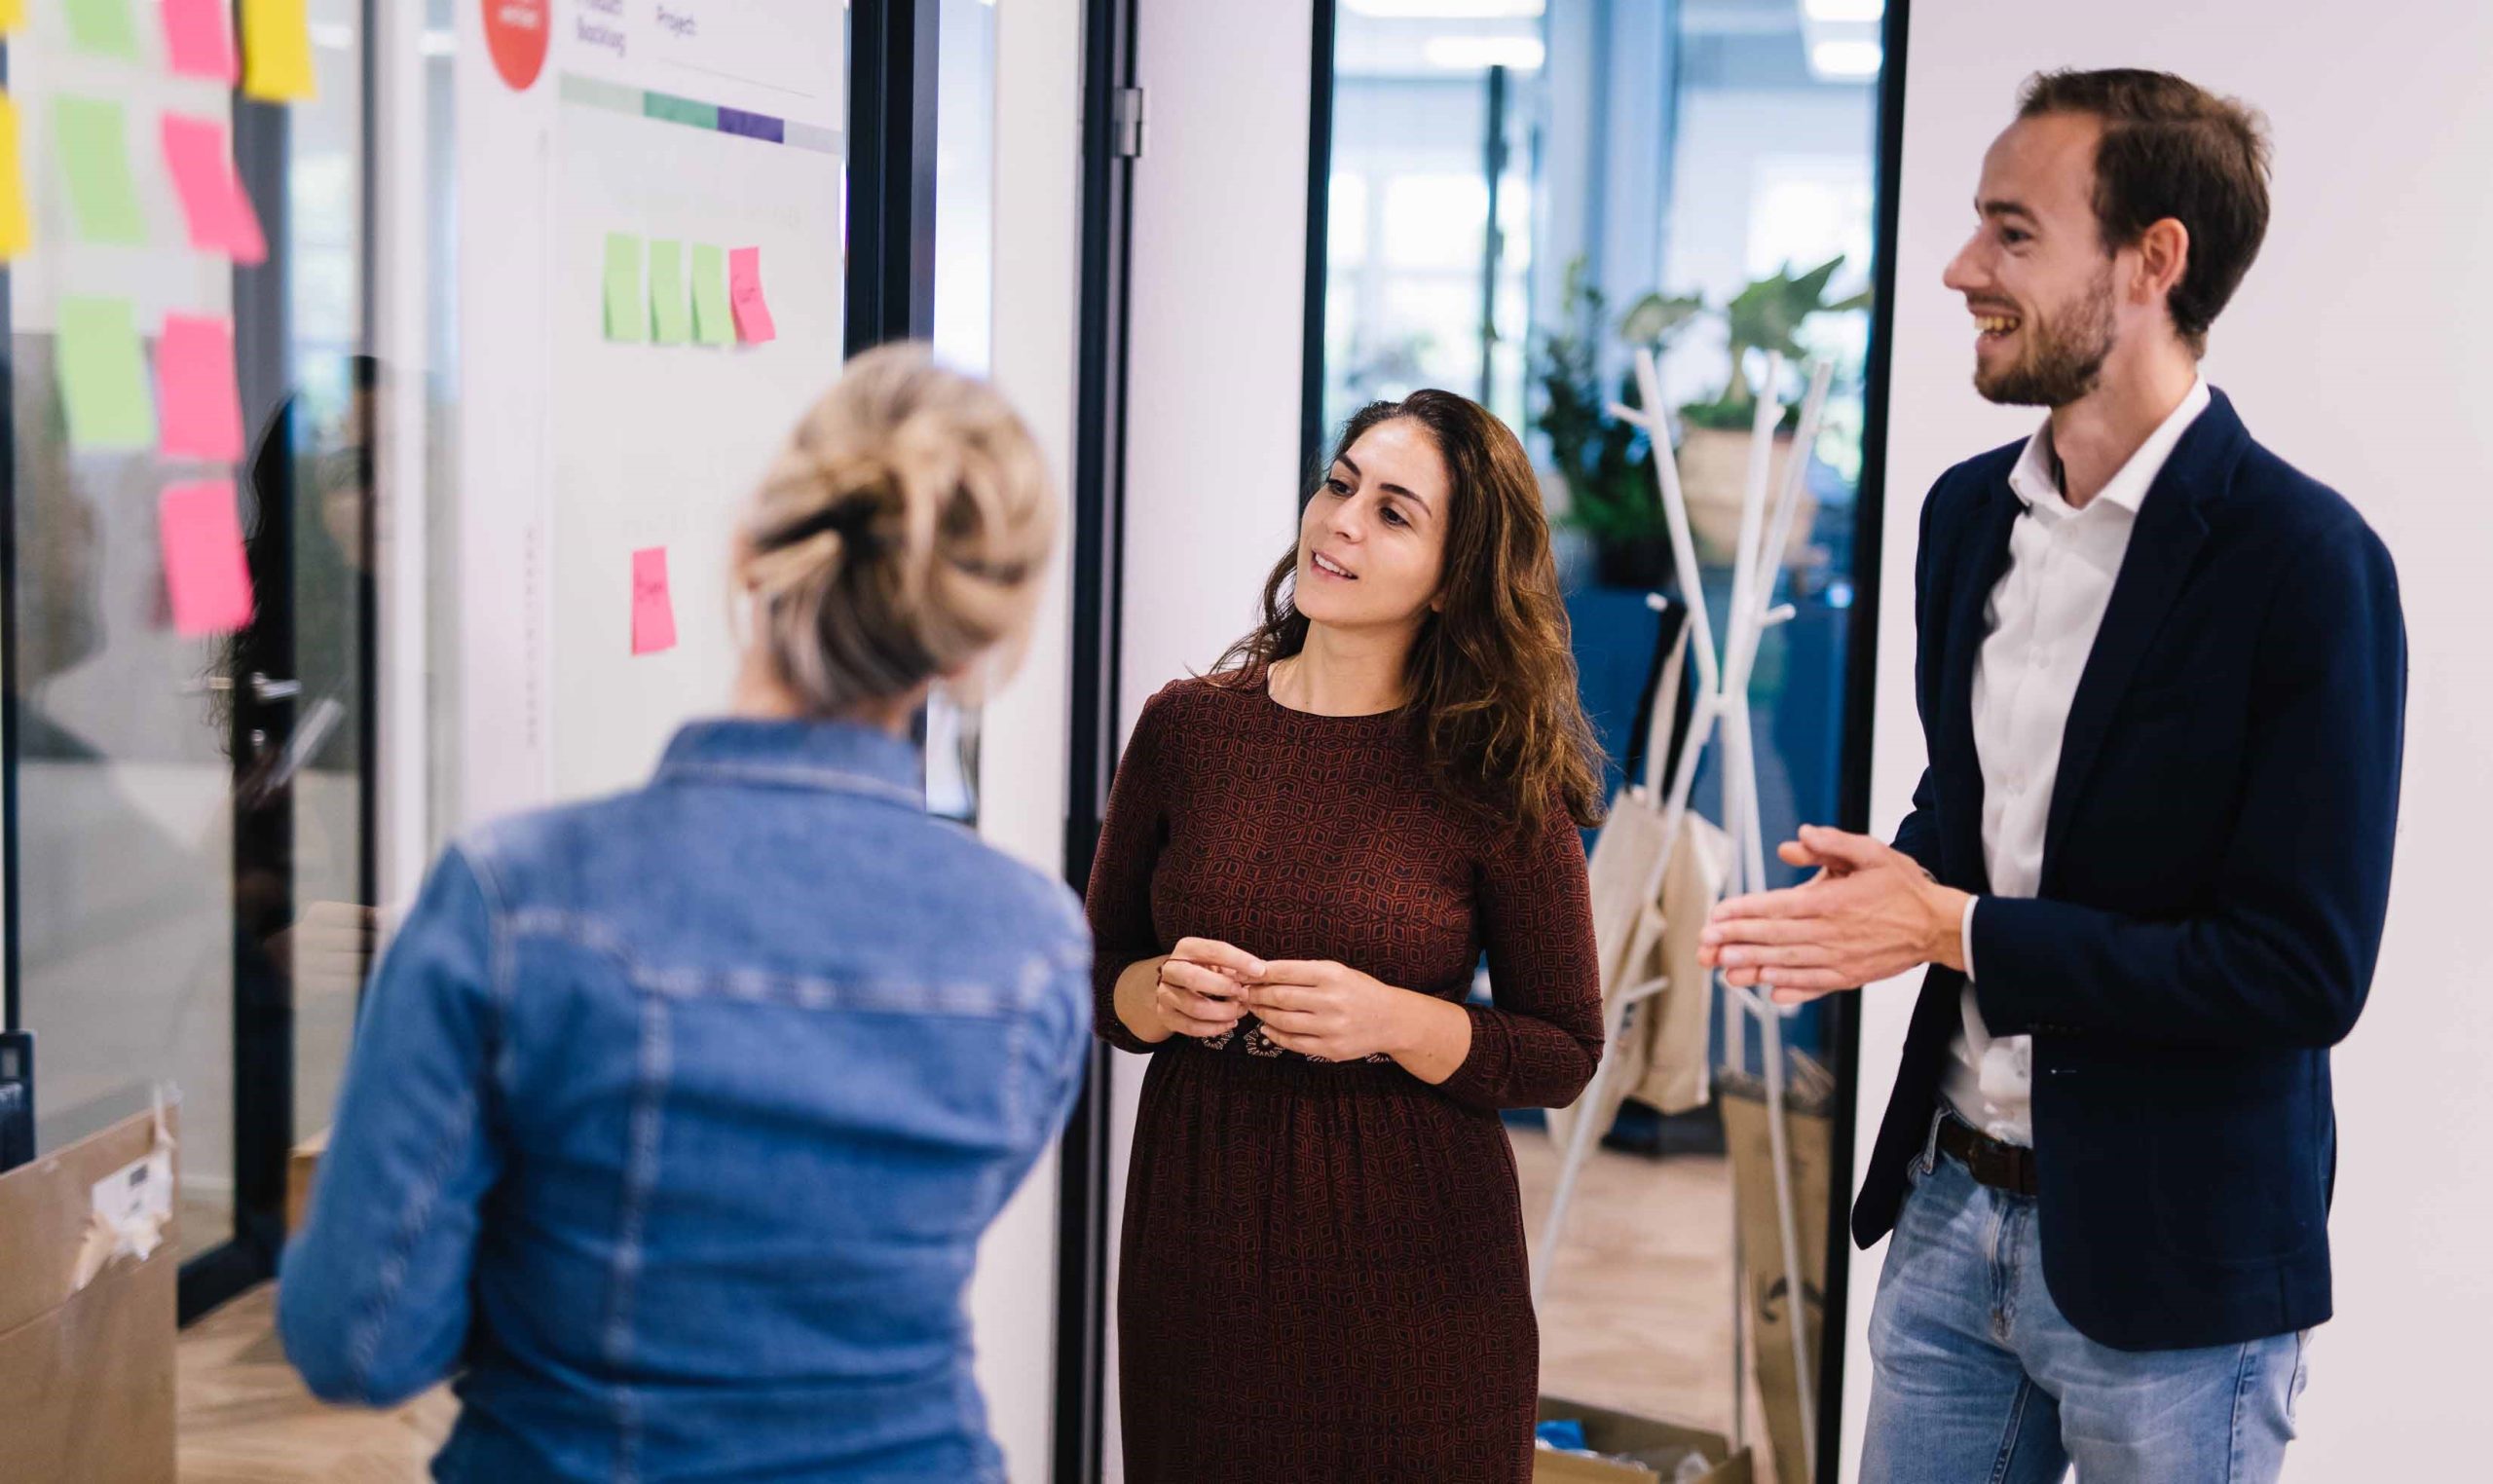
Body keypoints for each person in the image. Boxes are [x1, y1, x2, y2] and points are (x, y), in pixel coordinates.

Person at [1697, 70, 2405, 1482]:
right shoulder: (1965, 514)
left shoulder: (2306, 566)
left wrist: (1950, 928)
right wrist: (1883, 893)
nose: (1962, 268)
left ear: (2153, 261)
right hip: (1948, 1211)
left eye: (2013, 233)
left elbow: (2298, 974)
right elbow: (1976, 809)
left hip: (2176, 1266)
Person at [279, 345, 1087, 1483]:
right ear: (976, 647)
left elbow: (358, 1344)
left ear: (747, 554)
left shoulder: (515, 896)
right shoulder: (1034, 946)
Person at [1088, 389, 1607, 1481]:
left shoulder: (1494, 772)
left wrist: (1393, 1020)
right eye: (1340, 484)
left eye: (1394, 512)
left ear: (1455, 577)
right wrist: (1157, 992)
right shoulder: (1187, 728)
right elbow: (1094, 976)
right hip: (1197, 1248)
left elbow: (1563, 1051)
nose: (1341, 521)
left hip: (1419, 1272)